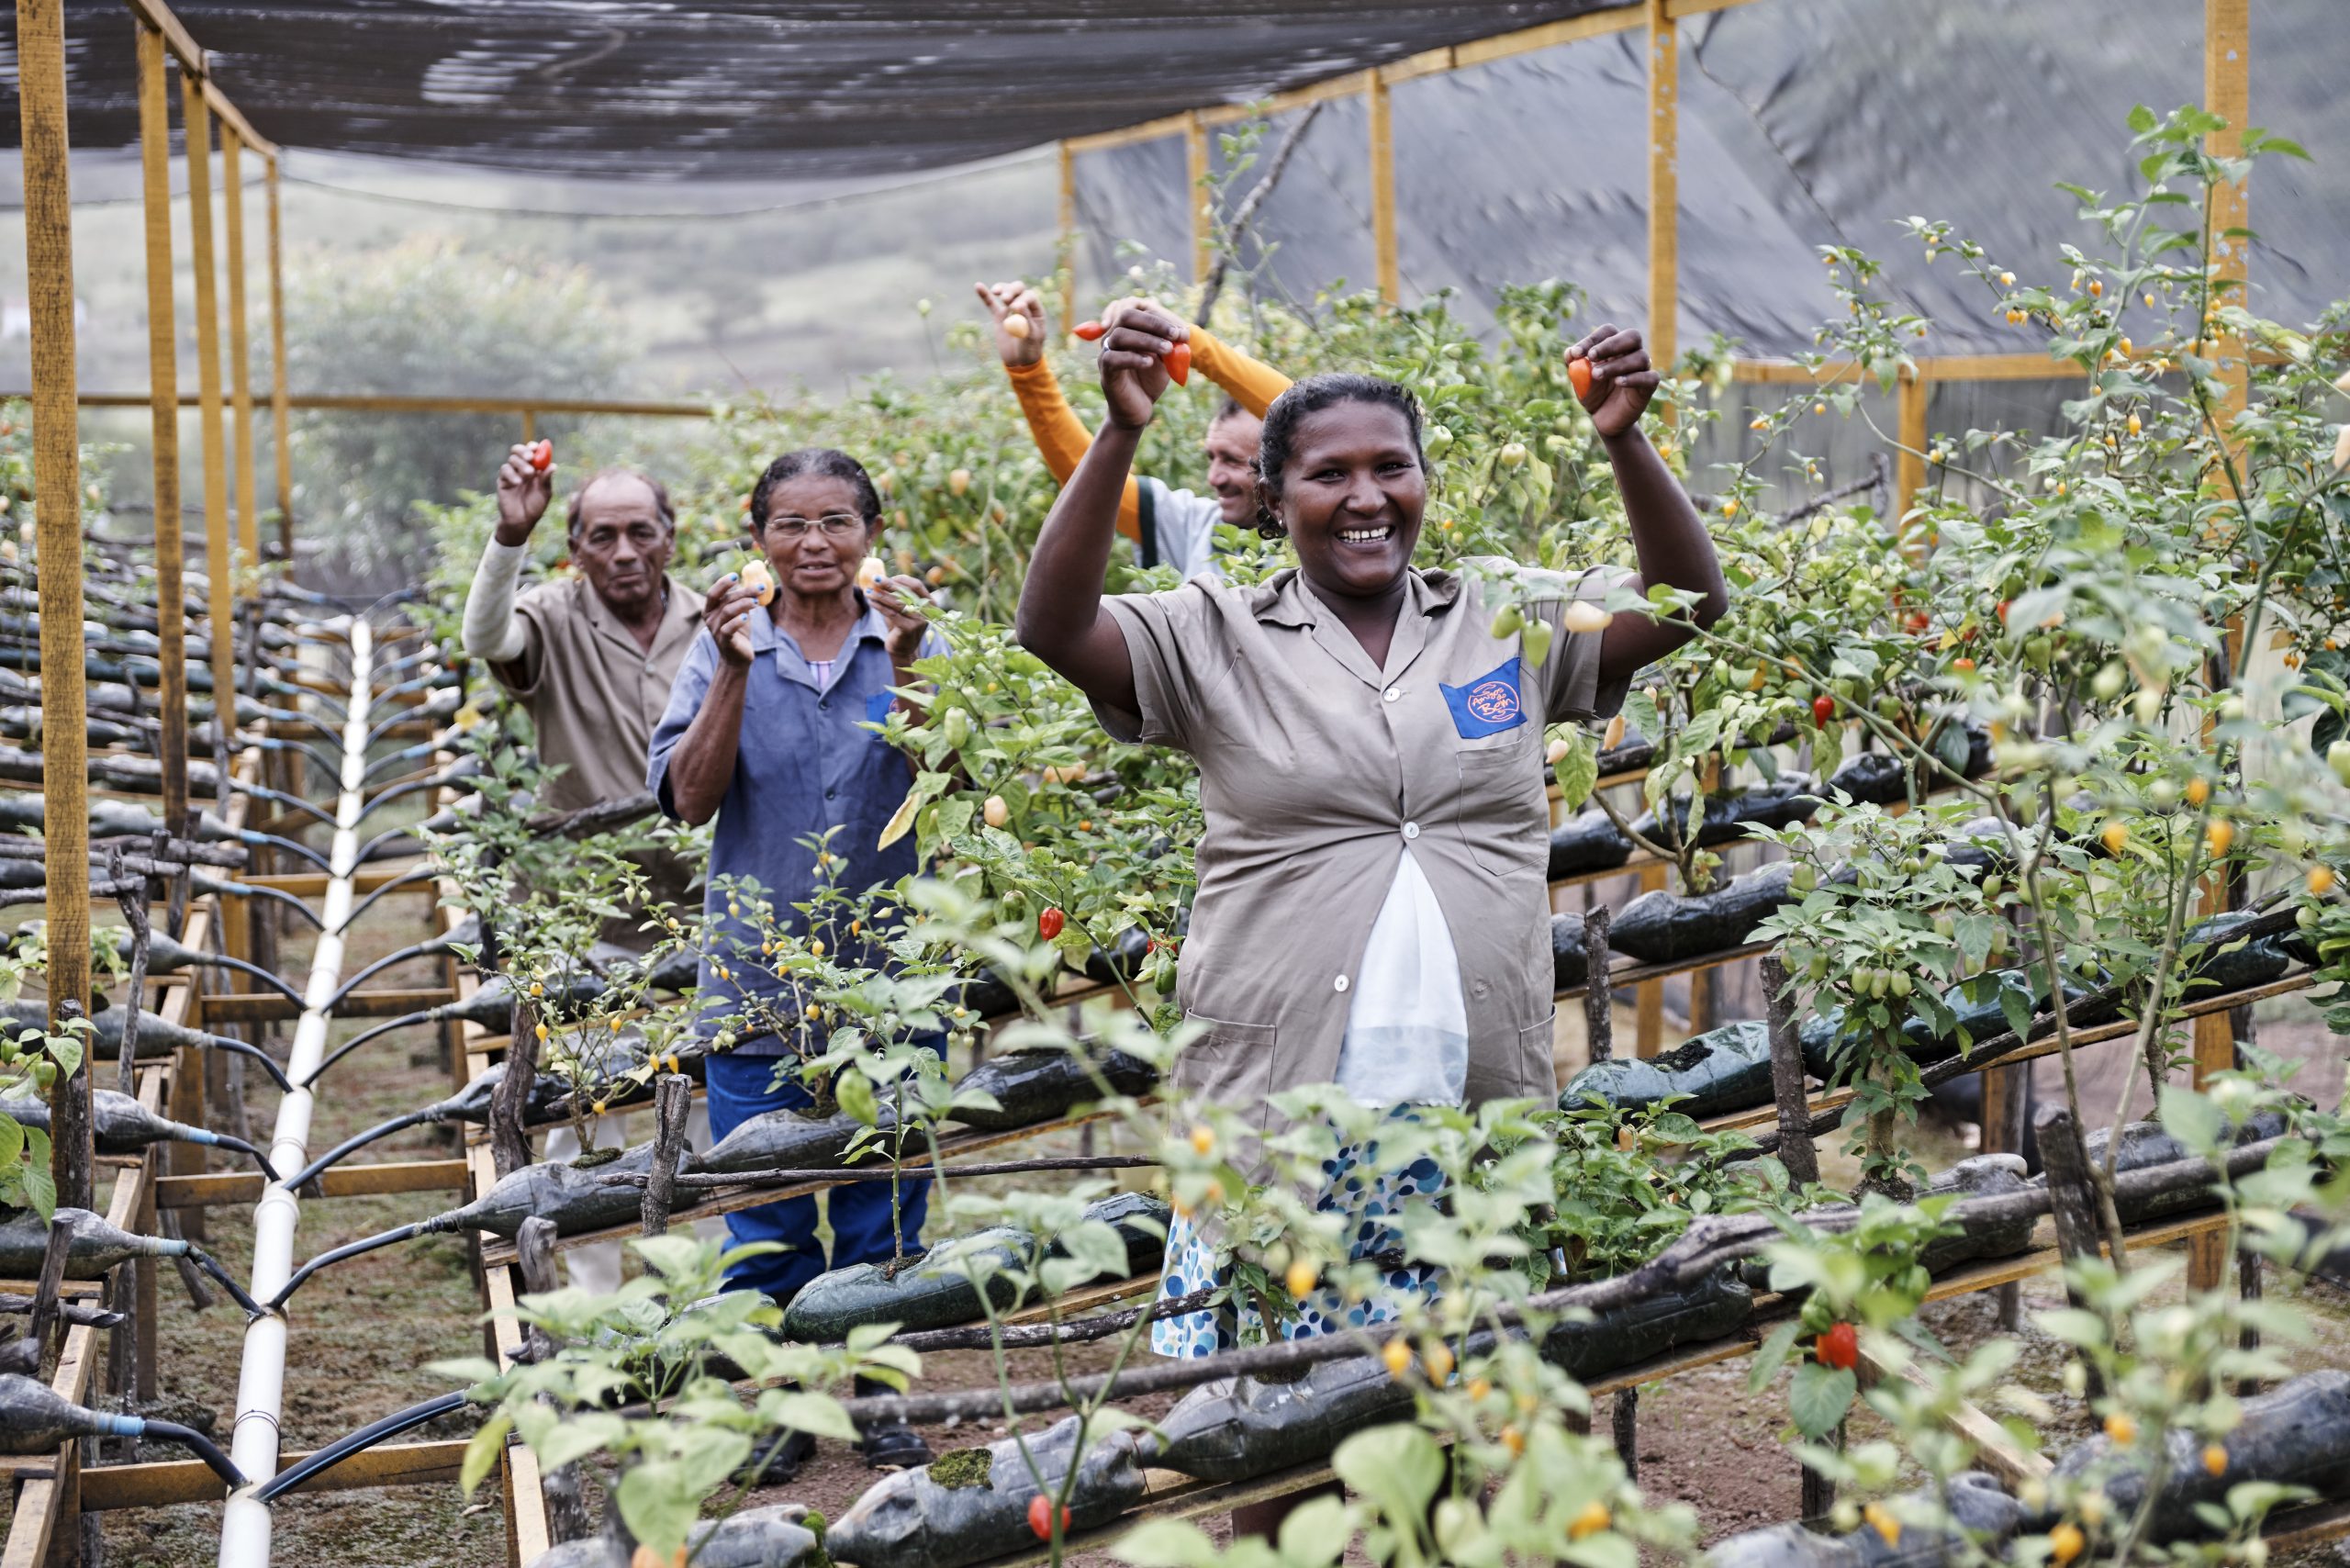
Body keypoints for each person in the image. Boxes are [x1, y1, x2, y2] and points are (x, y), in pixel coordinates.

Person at [1013, 300, 1726, 1533]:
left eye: (1390, 467)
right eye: (1328, 473)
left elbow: (1690, 607)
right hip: (1279, 1118)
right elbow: (1054, 629)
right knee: (1267, 1438)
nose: (1365, 496)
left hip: (1464, 1109)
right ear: (1275, 497)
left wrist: (1626, 441)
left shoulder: (1503, 617)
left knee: (1439, 1432)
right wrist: (1118, 438)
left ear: (1425, 483)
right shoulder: (1216, 630)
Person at [647, 447, 947, 1472]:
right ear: (757, 535)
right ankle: (779, 1408)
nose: (813, 543)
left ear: (869, 534)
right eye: (790, 523)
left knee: (884, 1202)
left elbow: (942, 780)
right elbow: (689, 799)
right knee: (764, 1215)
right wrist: (732, 667)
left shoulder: (903, 636)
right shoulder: (723, 647)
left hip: (887, 977)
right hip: (754, 982)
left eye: (835, 523)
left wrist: (908, 661)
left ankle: (874, 1403)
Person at [460, 446, 719, 1294]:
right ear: (574, 547)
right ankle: (597, 1316)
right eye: (600, 536)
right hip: (583, 925)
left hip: (705, 913)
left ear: (670, 538)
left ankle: (712, 1304)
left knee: (714, 1111)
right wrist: (509, 534)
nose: (622, 552)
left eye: (640, 532)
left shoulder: (714, 623)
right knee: (587, 1118)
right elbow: (485, 636)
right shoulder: (553, 617)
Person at [977, 281, 1289, 581]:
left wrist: (1190, 342)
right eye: (1212, 458)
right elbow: (1088, 477)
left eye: (1233, 461)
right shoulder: (1194, 526)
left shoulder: (1313, 541)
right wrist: (1029, 372)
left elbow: (1307, 421)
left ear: (1282, 471)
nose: (1214, 478)